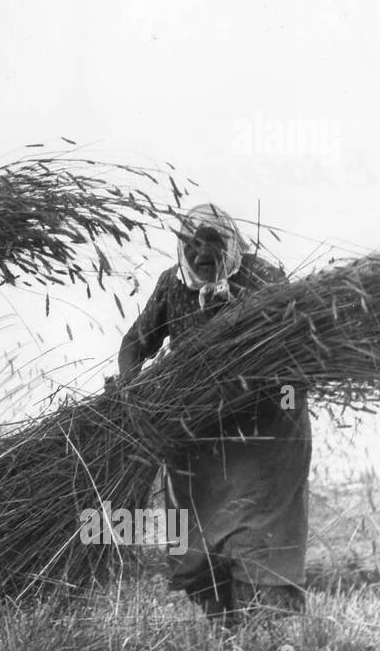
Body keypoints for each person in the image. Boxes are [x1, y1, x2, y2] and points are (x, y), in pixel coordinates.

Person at [110, 202, 311, 626]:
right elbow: (135, 343)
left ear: (232, 243)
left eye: (213, 241)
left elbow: (294, 347)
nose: (201, 253)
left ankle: (264, 627)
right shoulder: (172, 285)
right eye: (191, 243)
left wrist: (278, 395)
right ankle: (223, 624)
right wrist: (130, 387)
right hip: (200, 433)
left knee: (256, 529)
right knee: (197, 536)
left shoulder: (262, 277)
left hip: (263, 433)